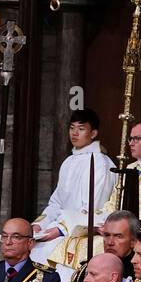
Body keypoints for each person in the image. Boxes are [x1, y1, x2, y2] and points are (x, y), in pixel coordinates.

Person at [32, 108, 116, 267]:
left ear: (93, 133)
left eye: (81, 128)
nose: (74, 133)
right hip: (58, 227)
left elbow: (93, 208)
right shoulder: (69, 161)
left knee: (48, 252)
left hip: (79, 230)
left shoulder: (100, 163)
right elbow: (56, 202)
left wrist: (59, 229)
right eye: (72, 128)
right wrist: (39, 225)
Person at [65, 210, 136, 282]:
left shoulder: (139, 273)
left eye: (118, 236)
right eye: (107, 235)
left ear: (133, 241)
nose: (110, 242)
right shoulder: (85, 270)